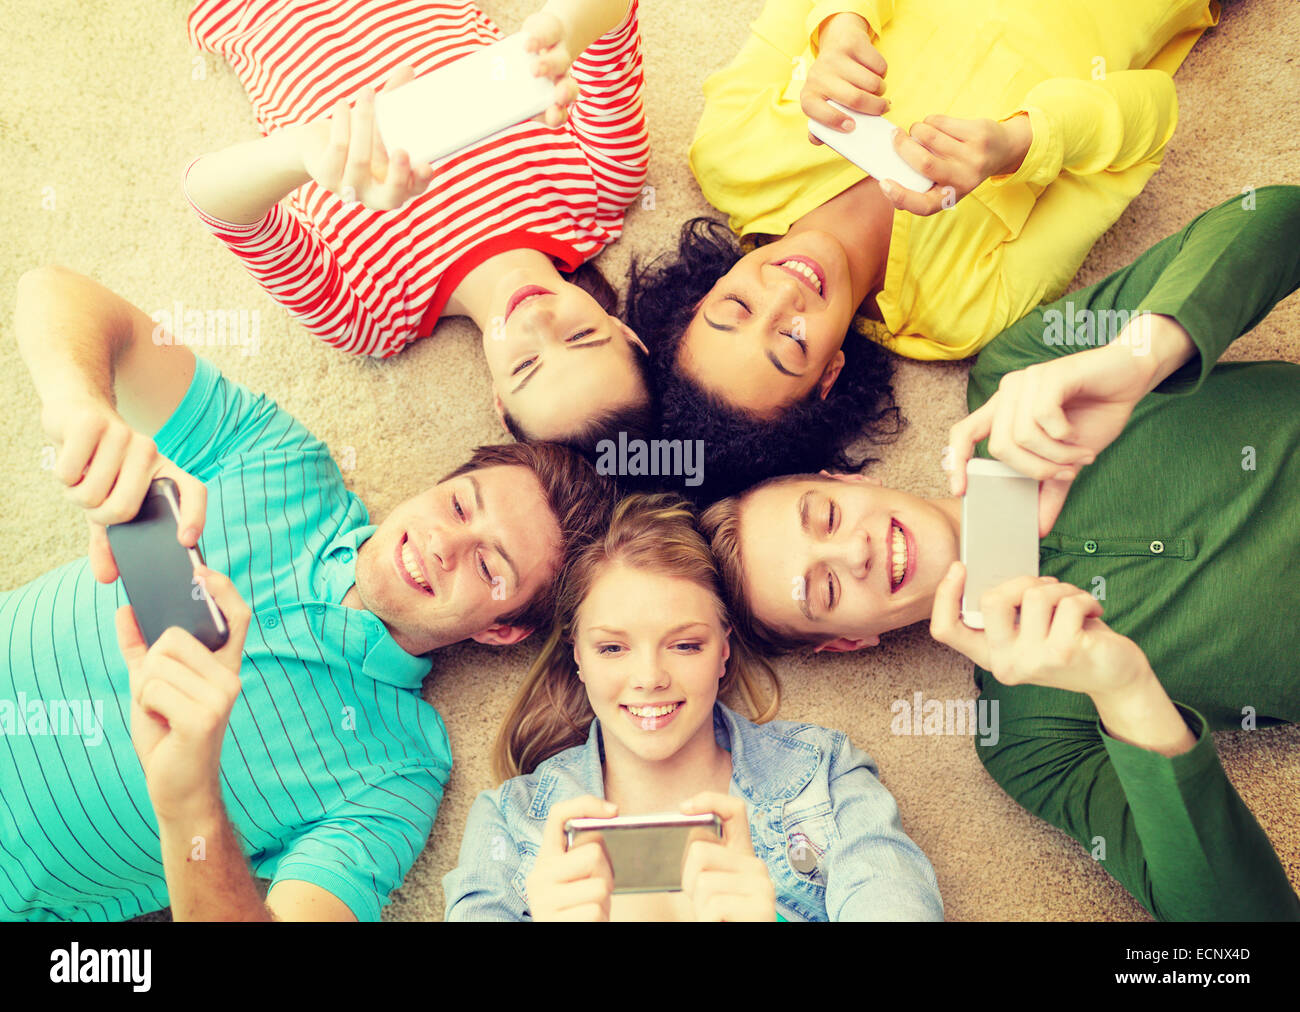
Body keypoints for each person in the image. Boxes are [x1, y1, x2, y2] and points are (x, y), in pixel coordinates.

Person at [699, 185, 1300, 920]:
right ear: (850, 642)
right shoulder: (1026, 742)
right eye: (822, 590)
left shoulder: (1022, 372)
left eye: (824, 515)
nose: (851, 551)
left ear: (843, 478)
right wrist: (1122, 687)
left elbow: (1277, 218)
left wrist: (1137, 359)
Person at [3, 265, 618, 921]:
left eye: (490, 566)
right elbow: (52, 292)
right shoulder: (278, 458)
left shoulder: (399, 773)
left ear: (501, 629)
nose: (445, 544)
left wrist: (189, 799)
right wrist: (82, 407)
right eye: (460, 505)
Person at [626, 0, 1220, 500]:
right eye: (792, 342)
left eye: (734, 308)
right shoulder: (962, 313)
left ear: (705, 291)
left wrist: (840, 26)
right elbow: (1152, 116)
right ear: (830, 375)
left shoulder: (729, 151)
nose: (784, 292)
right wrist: (1021, 142)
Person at [442, 494, 943, 921]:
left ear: (724, 649)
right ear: (577, 654)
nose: (650, 678)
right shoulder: (510, 821)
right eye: (612, 648)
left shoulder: (825, 774)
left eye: (685, 645)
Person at [184, 0, 652, 453]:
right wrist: (565, 26)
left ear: (498, 401)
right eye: (580, 336)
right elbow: (614, 17)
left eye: (526, 366)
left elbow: (210, 199)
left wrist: (307, 150)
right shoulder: (602, 183)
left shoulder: (366, 317)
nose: (536, 322)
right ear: (627, 333)